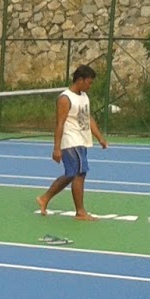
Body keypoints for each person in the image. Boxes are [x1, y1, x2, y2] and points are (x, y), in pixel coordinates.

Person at [37, 65, 109, 221]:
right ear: (80, 80)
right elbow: (60, 123)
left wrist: (99, 137)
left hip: (82, 140)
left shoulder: (84, 97)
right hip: (71, 140)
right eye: (88, 83)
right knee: (76, 173)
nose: (90, 86)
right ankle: (79, 211)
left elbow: (87, 118)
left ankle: (46, 198)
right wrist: (56, 148)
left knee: (76, 174)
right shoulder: (65, 98)